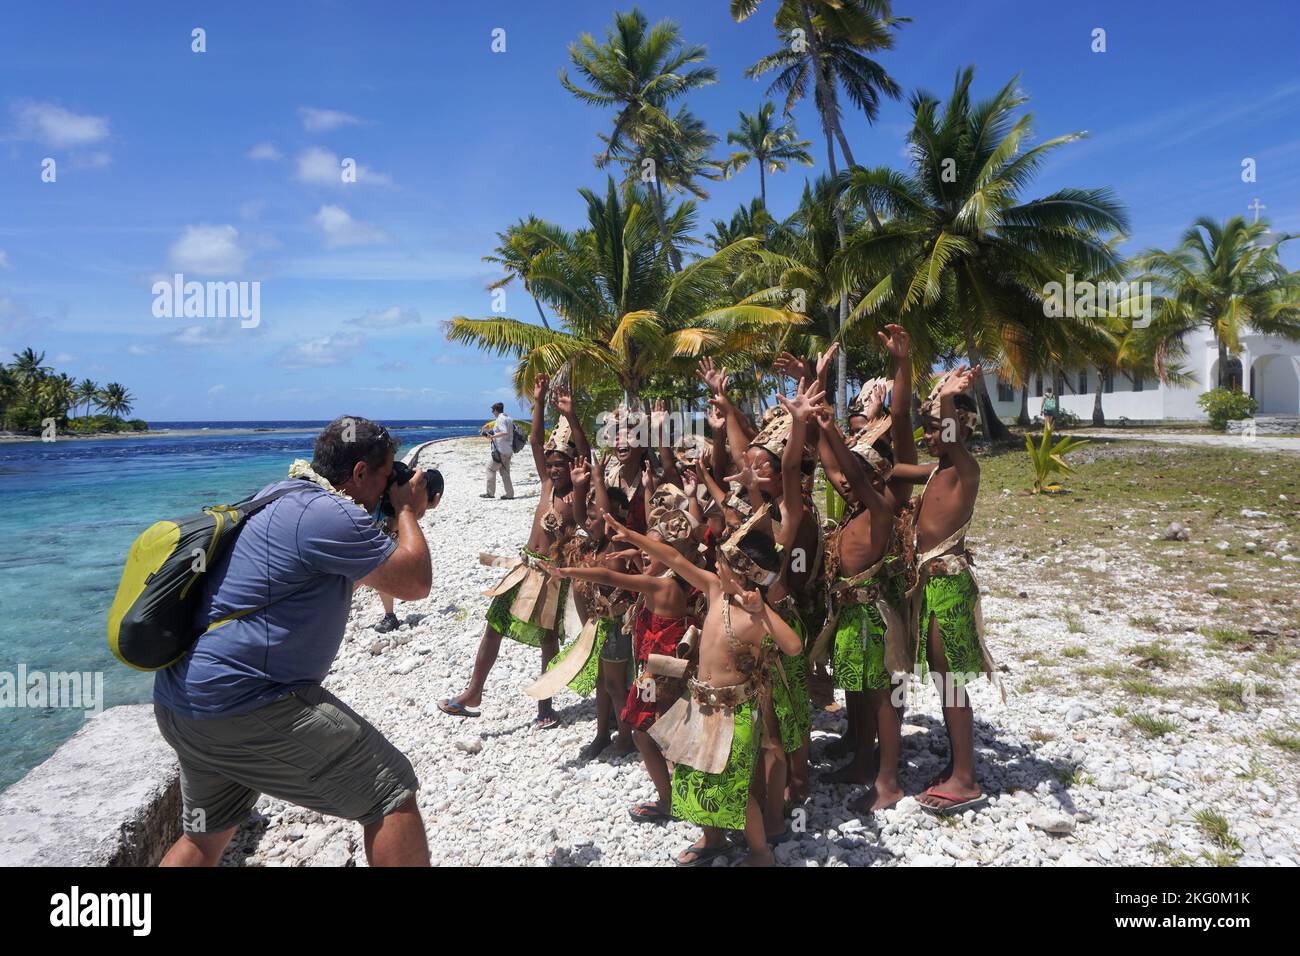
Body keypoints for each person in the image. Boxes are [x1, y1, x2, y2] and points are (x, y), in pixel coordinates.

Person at [152, 416, 436, 867]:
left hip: (183, 702)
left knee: (205, 838)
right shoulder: (331, 513)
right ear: (360, 474)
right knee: (391, 790)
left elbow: (327, 578)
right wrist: (405, 511)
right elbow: (416, 582)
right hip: (244, 704)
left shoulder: (277, 495)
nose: (391, 484)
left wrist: (383, 519)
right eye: (387, 475)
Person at [606, 509, 802, 867]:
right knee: (694, 774)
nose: (716, 566)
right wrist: (632, 536)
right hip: (700, 706)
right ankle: (713, 838)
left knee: (733, 789)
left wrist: (763, 612)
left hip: (735, 715)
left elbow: (793, 646)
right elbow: (675, 558)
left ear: (742, 574)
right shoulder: (715, 591)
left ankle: (761, 854)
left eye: (723, 563)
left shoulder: (755, 619)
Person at [441, 376, 588, 728]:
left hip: (552, 575)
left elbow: (585, 454)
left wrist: (572, 417)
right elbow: (535, 442)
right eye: (550, 464)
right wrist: (538, 402)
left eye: (561, 464)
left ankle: (544, 704)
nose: (554, 468)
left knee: (548, 640)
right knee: (494, 626)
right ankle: (473, 692)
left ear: (573, 466)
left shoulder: (575, 496)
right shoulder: (545, 485)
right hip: (525, 568)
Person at [911, 366, 1001, 816]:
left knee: (952, 681)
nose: (930, 436)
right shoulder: (935, 472)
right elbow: (884, 467)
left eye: (936, 428)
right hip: (934, 584)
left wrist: (946, 397)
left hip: (949, 583)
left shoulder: (965, 467)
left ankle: (965, 779)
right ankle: (957, 766)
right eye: (925, 429)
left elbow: (950, 436)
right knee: (944, 677)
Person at [481, 401, 515, 499]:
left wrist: (492, 436)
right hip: (509, 449)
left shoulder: (500, 419)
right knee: (505, 473)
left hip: (501, 450)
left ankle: (490, 493)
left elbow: (504, 432)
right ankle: (510, 494)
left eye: (493, 410)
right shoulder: (508, 418)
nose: (492, 412)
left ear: (496, 410)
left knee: (490, 468)